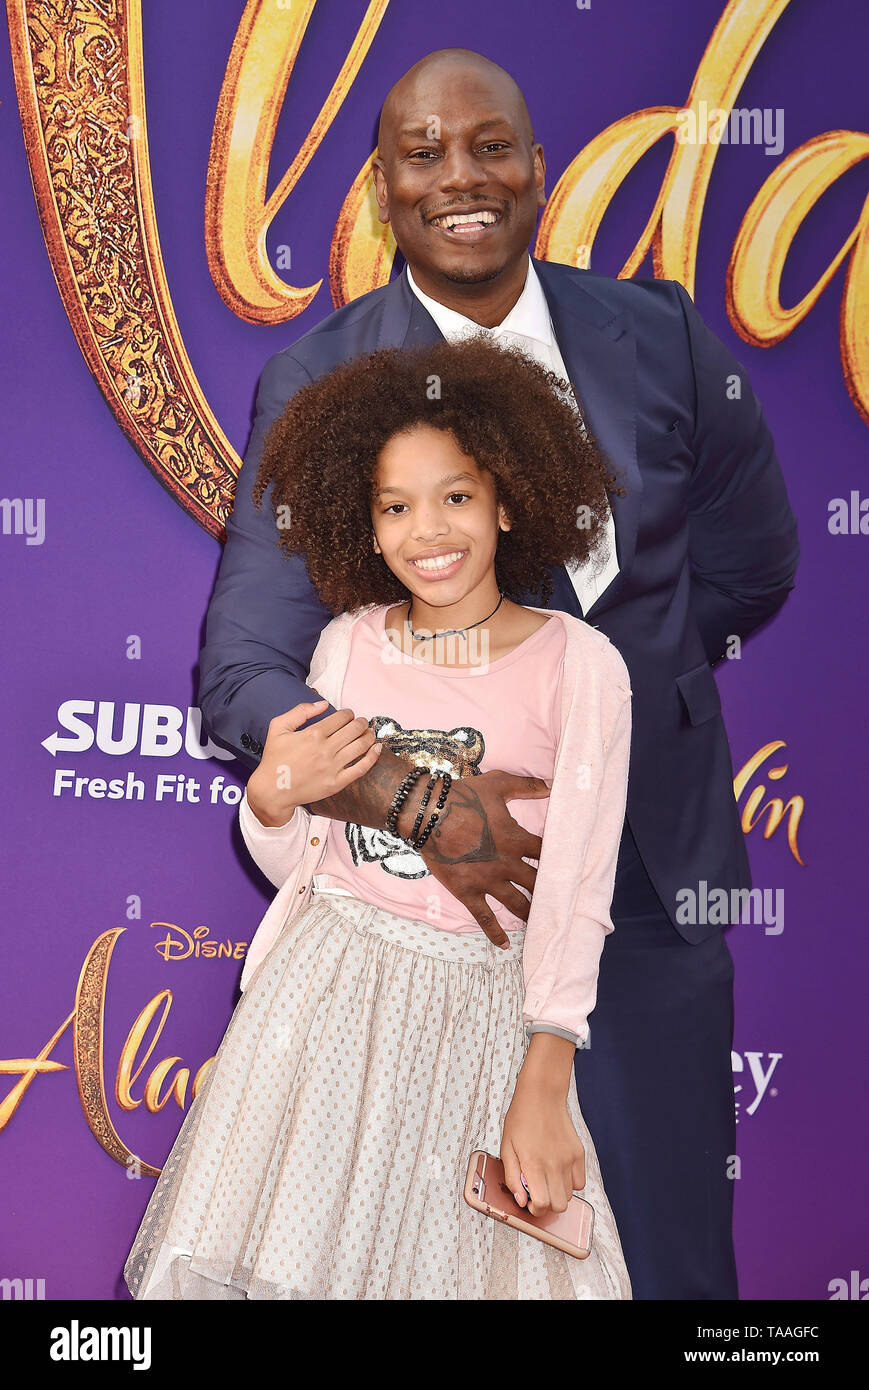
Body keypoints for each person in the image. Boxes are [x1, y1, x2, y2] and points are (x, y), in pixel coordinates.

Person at [194, 50, 800, 1299]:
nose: (460, 177)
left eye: (489, 147)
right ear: (380, 190)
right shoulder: (320, 382)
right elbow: (243, 665)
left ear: (536, 170)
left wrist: (598, 718)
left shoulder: (665, 336)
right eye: (423, 153)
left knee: (669, 1254)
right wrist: (417, 801)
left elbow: (750, 568)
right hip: (424, 930)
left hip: (647, 894)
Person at [123, 334, 633, 1300]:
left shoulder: (579, 666)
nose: (426, 532)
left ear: (509, 499)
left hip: (473, 1023)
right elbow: (305, 859)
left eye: (454, 497)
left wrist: (546, 1069)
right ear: (362, 523)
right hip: (322, 1005)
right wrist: (269, 797)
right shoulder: (348, 644)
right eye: (394, 507)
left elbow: (574, 891)